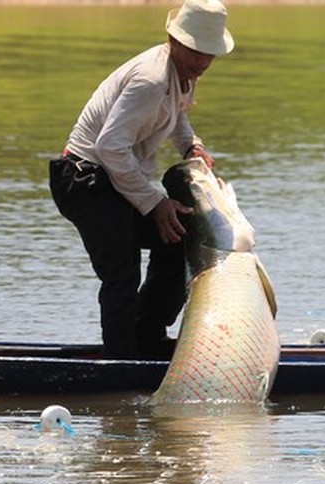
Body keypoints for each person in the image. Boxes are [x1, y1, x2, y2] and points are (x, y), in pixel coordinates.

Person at [48, 0, 235, 359]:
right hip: (86, 181)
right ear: (174, 40)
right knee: (122, 273)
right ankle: (121, 364)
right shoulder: (150, 79)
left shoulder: (182, 75)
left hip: (114, 180)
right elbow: (109, 147)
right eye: (195, 52)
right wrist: (154, 202)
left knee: (179, 236)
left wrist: (190, 146)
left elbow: (177, 115)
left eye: (208, 54)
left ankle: (147, 335)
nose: (202, 61)